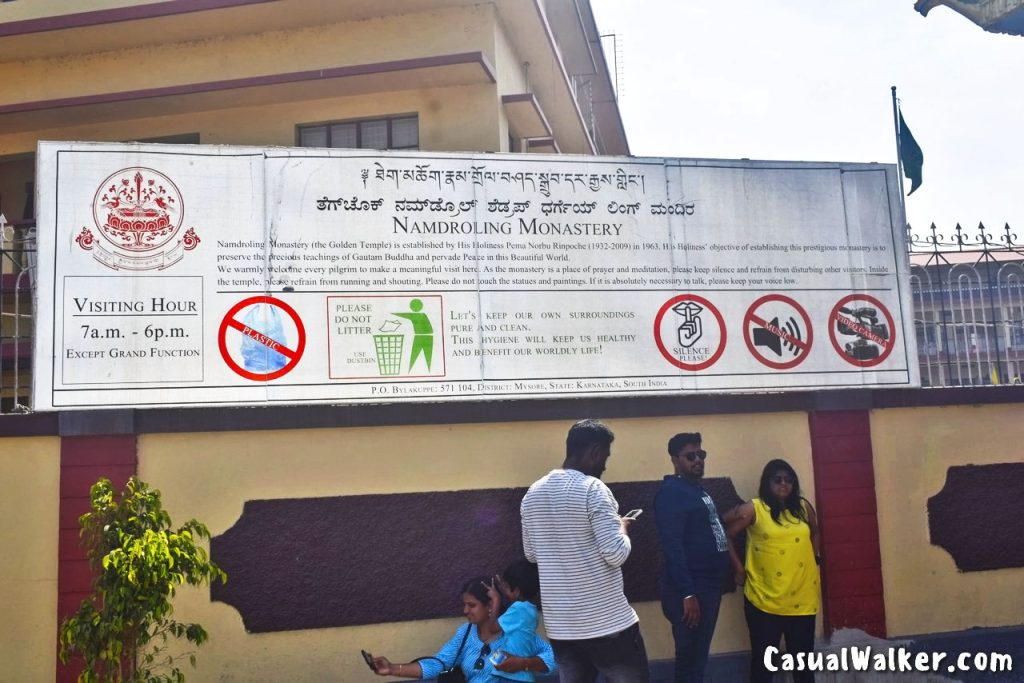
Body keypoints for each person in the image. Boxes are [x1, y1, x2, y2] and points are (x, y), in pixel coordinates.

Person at [520, 419, 650, 683]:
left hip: (562, 628)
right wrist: (622, 527)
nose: (604, 464)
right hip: (608, 625)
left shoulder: (532, 494)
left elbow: (531, 554)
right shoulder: (593, 489)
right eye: (605, 456)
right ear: (594, 451)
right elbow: (616, 554)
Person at [724, 460, 821, 683]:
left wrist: (813, 558)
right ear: (767, 482)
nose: (783, 484)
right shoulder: (754, 508)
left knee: (804, 665)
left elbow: (815, 532)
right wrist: (739, 569)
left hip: (802, 599)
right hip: (764, 600)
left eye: (788, 480)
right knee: (763, 664)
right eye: (777, 479)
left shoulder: (803, 507)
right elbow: (726, 533)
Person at [369, 576, 555, 682]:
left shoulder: (515, 633)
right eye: (464, 605)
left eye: (471, 605)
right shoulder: (466, 632)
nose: (465, 611)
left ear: (490, 605)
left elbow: (553, 656)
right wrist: (392, 668)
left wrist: (522, 663)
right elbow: (439, 663)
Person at [654, 432, 731, 682]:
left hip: (708, 586)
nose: (698, 460)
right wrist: (688, 593)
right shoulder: (672, 492)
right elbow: (672, 544)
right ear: (675, 459)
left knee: (698, 657)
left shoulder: (694, 489)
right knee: (689, 659)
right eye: (690, 456)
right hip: (690, 591)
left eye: (701, 454)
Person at [485, 559, 541, 682]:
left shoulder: (518, 609)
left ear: (516, 591)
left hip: (512, 675)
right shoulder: (530, 610)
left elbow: (492, 628)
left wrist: (496, 600)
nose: (503, 590)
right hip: (519, 674)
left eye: (505, 587)